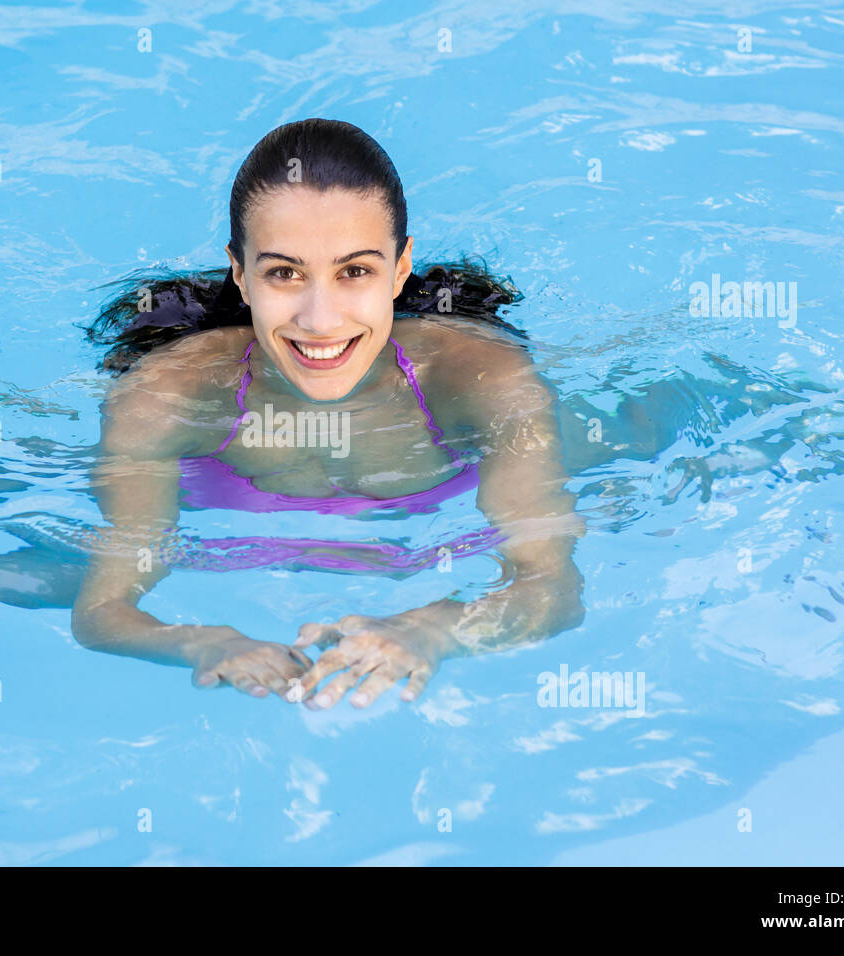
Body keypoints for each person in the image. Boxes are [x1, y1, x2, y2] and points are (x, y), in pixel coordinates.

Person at [73, 117, 586, 709]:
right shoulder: (165, 397)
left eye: (355, 271)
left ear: (400, 269)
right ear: (240, 274)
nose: (320, 320)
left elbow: (552, 587)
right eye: (284, 273)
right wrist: (201, 641)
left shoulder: (482, 381)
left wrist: (436, 629)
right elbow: (101, 612)